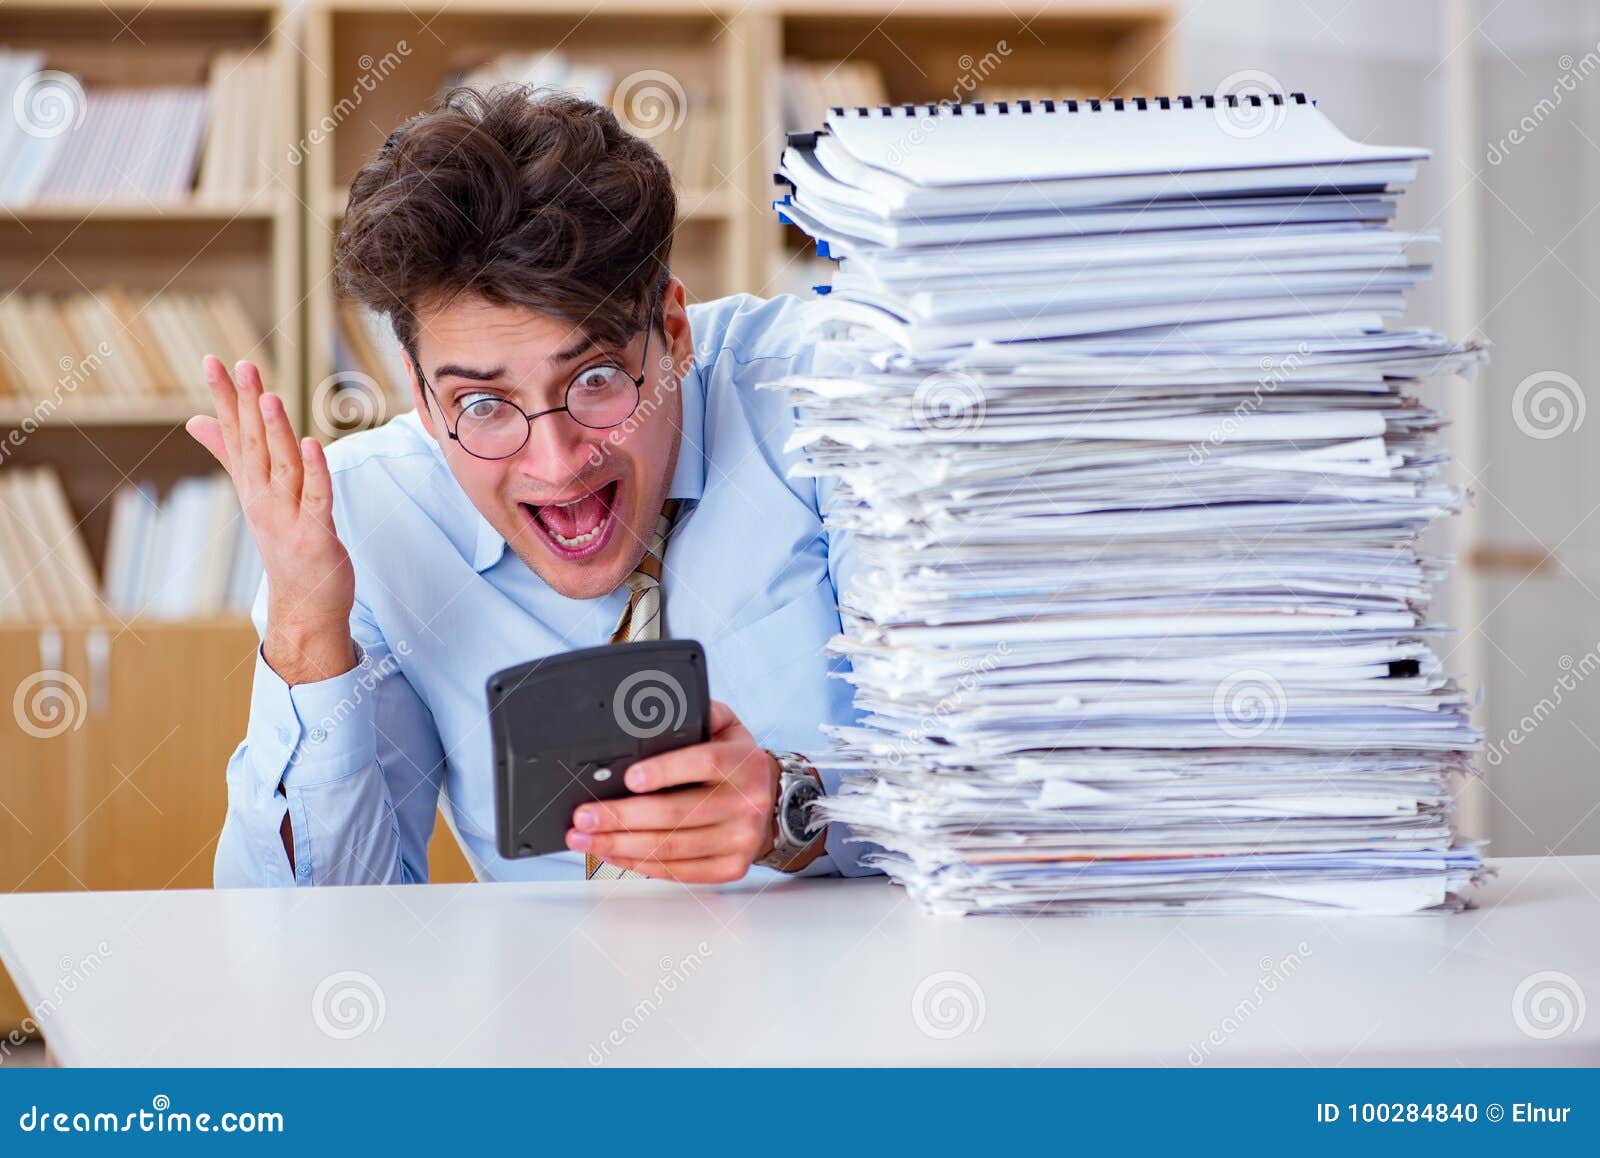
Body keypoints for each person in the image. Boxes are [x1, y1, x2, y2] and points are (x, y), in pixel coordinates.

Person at [193, 86, 875, 886]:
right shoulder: (371, 517)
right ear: (420, 396)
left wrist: (799, 809)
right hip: (552, 1006)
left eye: (595, 379)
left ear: (675, 330)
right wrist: (307, 630)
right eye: (482, 404)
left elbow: (1010, 798)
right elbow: (322, 932)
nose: (556, 463)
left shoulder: (836, 399)